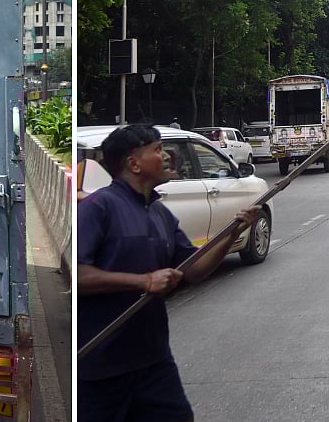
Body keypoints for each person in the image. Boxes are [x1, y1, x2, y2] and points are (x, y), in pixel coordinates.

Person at [77, 124, 261, 420]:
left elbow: (195, 270)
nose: (167, 156)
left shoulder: (159, 212)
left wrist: (235, 231)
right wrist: (144, 281)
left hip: (153, 362)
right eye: (158, 149)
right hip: (100, 366)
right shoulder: (100, 208)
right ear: (133, 163)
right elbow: (79, 275)